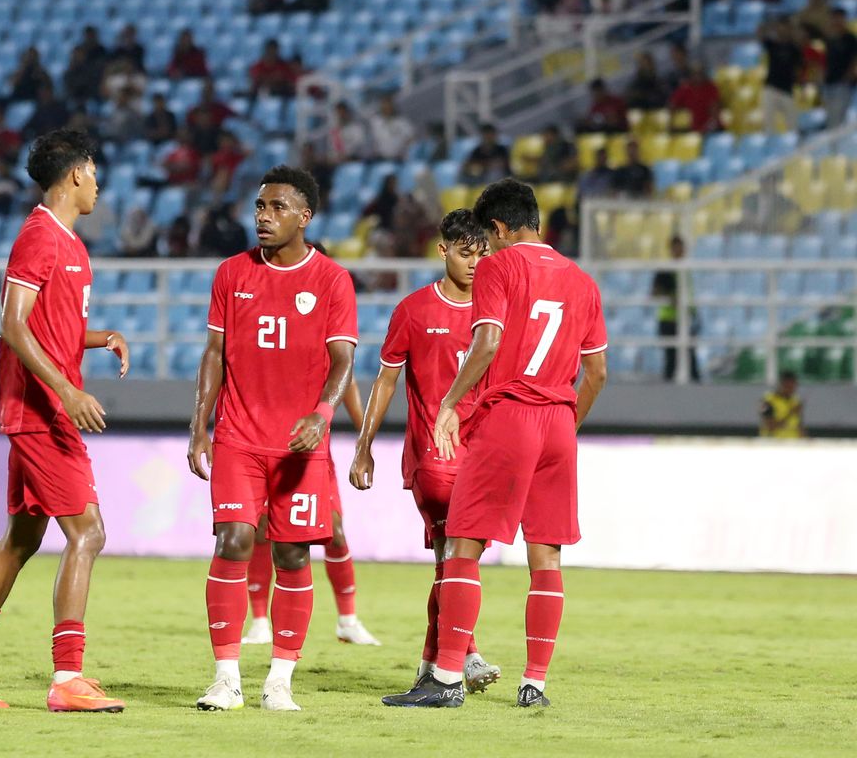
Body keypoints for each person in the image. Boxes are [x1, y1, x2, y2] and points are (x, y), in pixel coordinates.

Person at [0, 128, 131, 713]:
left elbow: (52, 328)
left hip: (42, 409)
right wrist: (68, 391)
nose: (97, 183)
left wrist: (98, 339)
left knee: (22, 537)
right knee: (88, 533)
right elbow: (12, 325)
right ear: (75, 175)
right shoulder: (39, 236)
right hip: (41, 412)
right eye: (93, 172)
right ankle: (68, 678)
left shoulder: (70, 242)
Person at [412, 178, 608, 709]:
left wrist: (451, 403)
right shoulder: (583, 281)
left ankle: (447, 678)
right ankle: (535, 684)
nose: (487, 250)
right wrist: (568, 424)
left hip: (511, 414)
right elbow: (596, 373)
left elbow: (489, 340)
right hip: (559, 421)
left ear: (498, 228)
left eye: (489, 237)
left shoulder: (500, 267)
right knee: (546, 556)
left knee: (463, 543)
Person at [188, 165, 358, 713]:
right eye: (260, 207)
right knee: (234, 540)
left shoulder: (332, 280)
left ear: (305, 216)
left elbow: (343, 360)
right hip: (238, 435)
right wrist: (200, 427)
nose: (264, 217)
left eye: (278, 208)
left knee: (291, 554)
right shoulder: (231, 273)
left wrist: (323, 413)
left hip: (301, 445)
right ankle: (226, 677)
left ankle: (280, 679)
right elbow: (214, 355)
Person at [349, 209, 502, 703]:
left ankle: (435, 665)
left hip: (483, 456)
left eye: (481, 253)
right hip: (433, 456)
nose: (474, 263)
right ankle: (463, 658)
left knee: (449, 564)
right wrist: (365, 443)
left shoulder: (497, 311)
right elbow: (386, 380)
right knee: (457, 560)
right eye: (464, 253)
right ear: (443, 251)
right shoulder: (414, 310)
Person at [242, 378, 380, 649]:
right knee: (261, 530)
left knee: (336, 532)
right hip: (266, 444)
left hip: (313, 451)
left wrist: (363, 436)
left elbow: (347, 380)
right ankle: (259, 623)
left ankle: (348, 620)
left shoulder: (321, 341)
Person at [652, 235, 700, 382]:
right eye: (676, 247)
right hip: (668, 318)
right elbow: (655, 291)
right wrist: (670, 296)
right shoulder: (666, 269)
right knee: (671, 357)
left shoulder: (686, 270)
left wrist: (694, 312)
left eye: (681, 247)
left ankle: (695, 384)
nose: (679, 250)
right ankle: (668, 388)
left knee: (690, 355)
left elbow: (689, 294)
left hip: (685, 317)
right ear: (671, 249)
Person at [761, 18, 803, 133]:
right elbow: (760, 32)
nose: (782, 30)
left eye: (785, 28)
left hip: (787, 89)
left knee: (793, 125)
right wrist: (771, 25)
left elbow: (800, 67)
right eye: (780, 27)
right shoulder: (772, 45)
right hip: (771, 87)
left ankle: (795, 147)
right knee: (768, 123)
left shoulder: (794, 48)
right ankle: (769, 147)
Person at [822, 8, 857, 128]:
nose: (836, 21)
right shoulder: (827, 39)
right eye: (834, 18)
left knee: (839, 118)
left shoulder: (850, 39)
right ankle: (832, 145)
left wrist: (849, 75)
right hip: (828, 83)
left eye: (839, 18)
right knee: (830, 117)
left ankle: (838, 145)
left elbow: (854, 59)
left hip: (843, 83)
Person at [669, 63, 722, 133]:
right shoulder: (685, 88)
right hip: (693, 128)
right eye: (695, 74)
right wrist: (671, 123)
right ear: (691, 75)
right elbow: (673, 104)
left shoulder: (711, 87)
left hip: (711, 126)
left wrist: (710, 125)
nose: (698, 76)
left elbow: (715, 108)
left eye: (700, 73)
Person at [368, 95, 415, 161]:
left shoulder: (402, 122)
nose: (387, 108)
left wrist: (405, 152)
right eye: (384, 106)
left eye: (389, 106)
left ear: (393, 106)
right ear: (381, 107)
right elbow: (372, 141)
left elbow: (411, 139)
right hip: (380, 158)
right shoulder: (375, 122)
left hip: (399, 158)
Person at [760, 371, 805, 438]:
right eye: (788, 386)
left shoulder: (796, 401)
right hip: (774, 444)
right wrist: (791, 413)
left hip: (794, 443)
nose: (791, 390)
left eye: (793, 386)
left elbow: (799, 425)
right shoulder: (768, 400)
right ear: (781, 385)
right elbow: (770, 427)